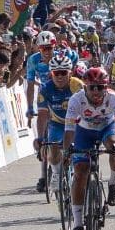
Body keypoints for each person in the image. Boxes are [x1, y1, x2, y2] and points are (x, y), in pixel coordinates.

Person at [63, 67, 115, 230]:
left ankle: (113, 183)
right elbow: (69, 130)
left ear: (106, 87)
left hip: (107, 129)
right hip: (84, 131)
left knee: (113, 148)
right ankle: (77, 225)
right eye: (92, 87)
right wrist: (67, 152)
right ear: (85, 87)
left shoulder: (114, 99)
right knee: (80, 172)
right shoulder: (76, 100)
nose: (96, 91)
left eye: (100, 87)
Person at [35, 50, 83, 195]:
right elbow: (42, 115)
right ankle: (56, 173)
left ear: (70, 73)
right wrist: (40, 138)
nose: (60, 76)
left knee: (79, 152)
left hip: (76, 123)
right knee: (53, 147)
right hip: (57, 123)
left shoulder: (78, 86)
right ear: (51, 74)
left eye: (63, 72)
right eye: (57, 73)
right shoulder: (45, 88)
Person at [27, 30, 56, 192]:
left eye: (49, 48)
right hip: (44, 94)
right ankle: (44, 176)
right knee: (43, 138)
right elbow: (30, 85)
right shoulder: (33, 60)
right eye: (43, 48)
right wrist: (30, 107)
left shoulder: (61, 57)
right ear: (39, 48)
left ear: (54, 47)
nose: (46, 51)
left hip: (61, 94)